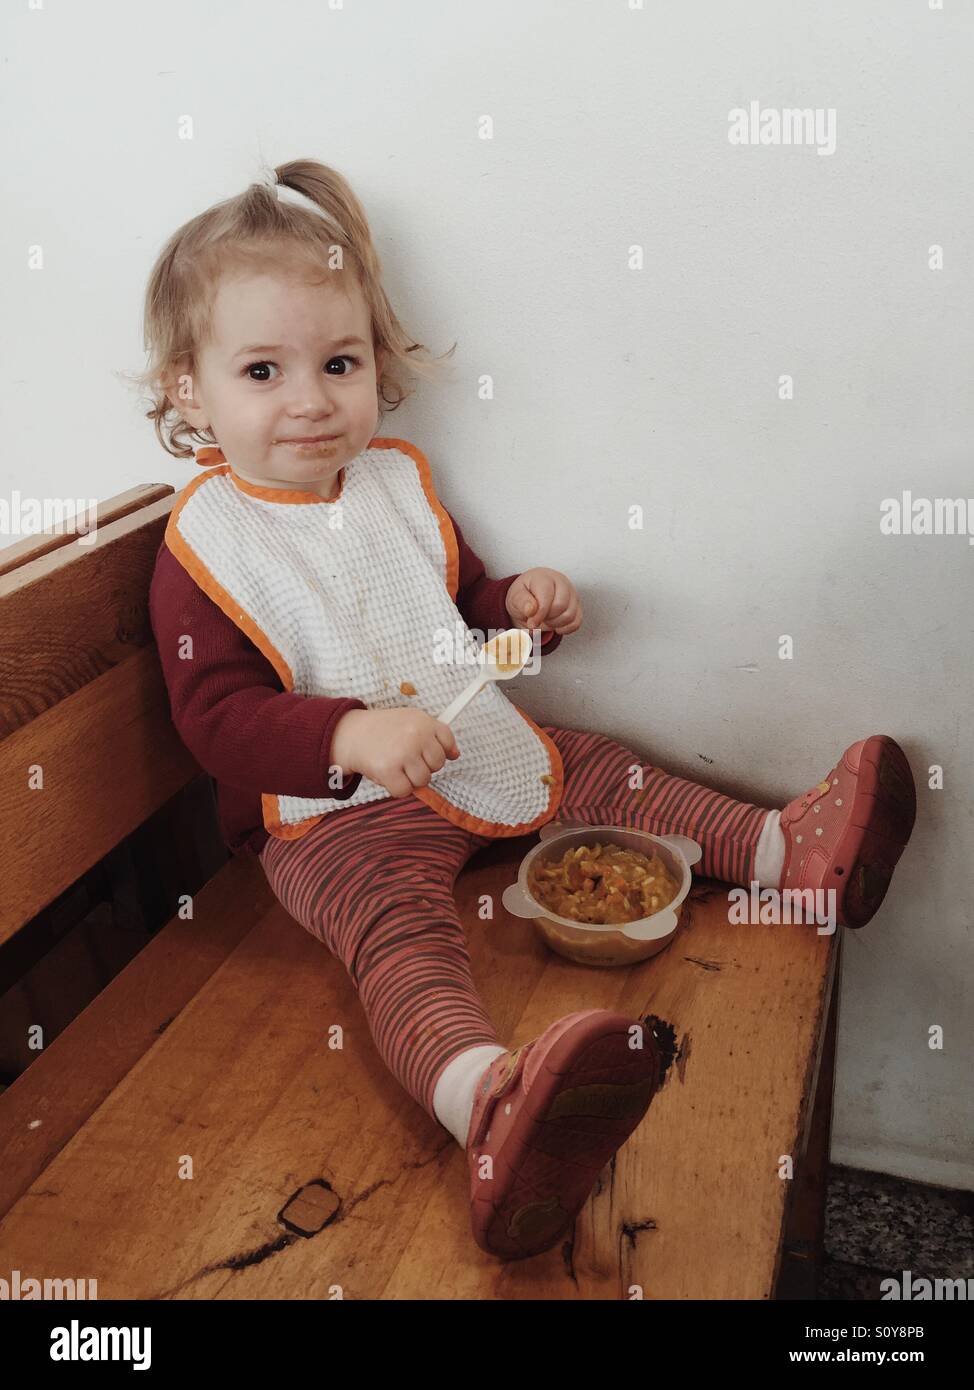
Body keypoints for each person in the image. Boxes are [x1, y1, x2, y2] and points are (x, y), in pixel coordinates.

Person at [141, 159, 917, 1262]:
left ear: (374, 365)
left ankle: (781, 848)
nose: (310, 398)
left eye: (339, 361)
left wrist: (519, 608)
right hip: (337, 820)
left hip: (468, 751)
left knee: (593, 760)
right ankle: (488, 1104)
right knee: (395, 935)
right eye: (262, 370)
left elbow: (450, 612)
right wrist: (345, 737)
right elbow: (212, 716)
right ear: (188, 390)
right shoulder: (208, 546)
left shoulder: (391, 486)